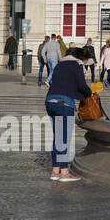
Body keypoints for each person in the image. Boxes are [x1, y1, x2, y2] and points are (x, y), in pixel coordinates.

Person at [45, 46, 90, 182]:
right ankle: (64, 173)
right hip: (64, 104)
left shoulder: (60, 65)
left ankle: (55, 171)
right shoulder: (75, 65)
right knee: (64, 138)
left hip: (50, 101)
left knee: (57, 137)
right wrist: (89, 93)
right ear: (78, 57)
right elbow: (82, 86)